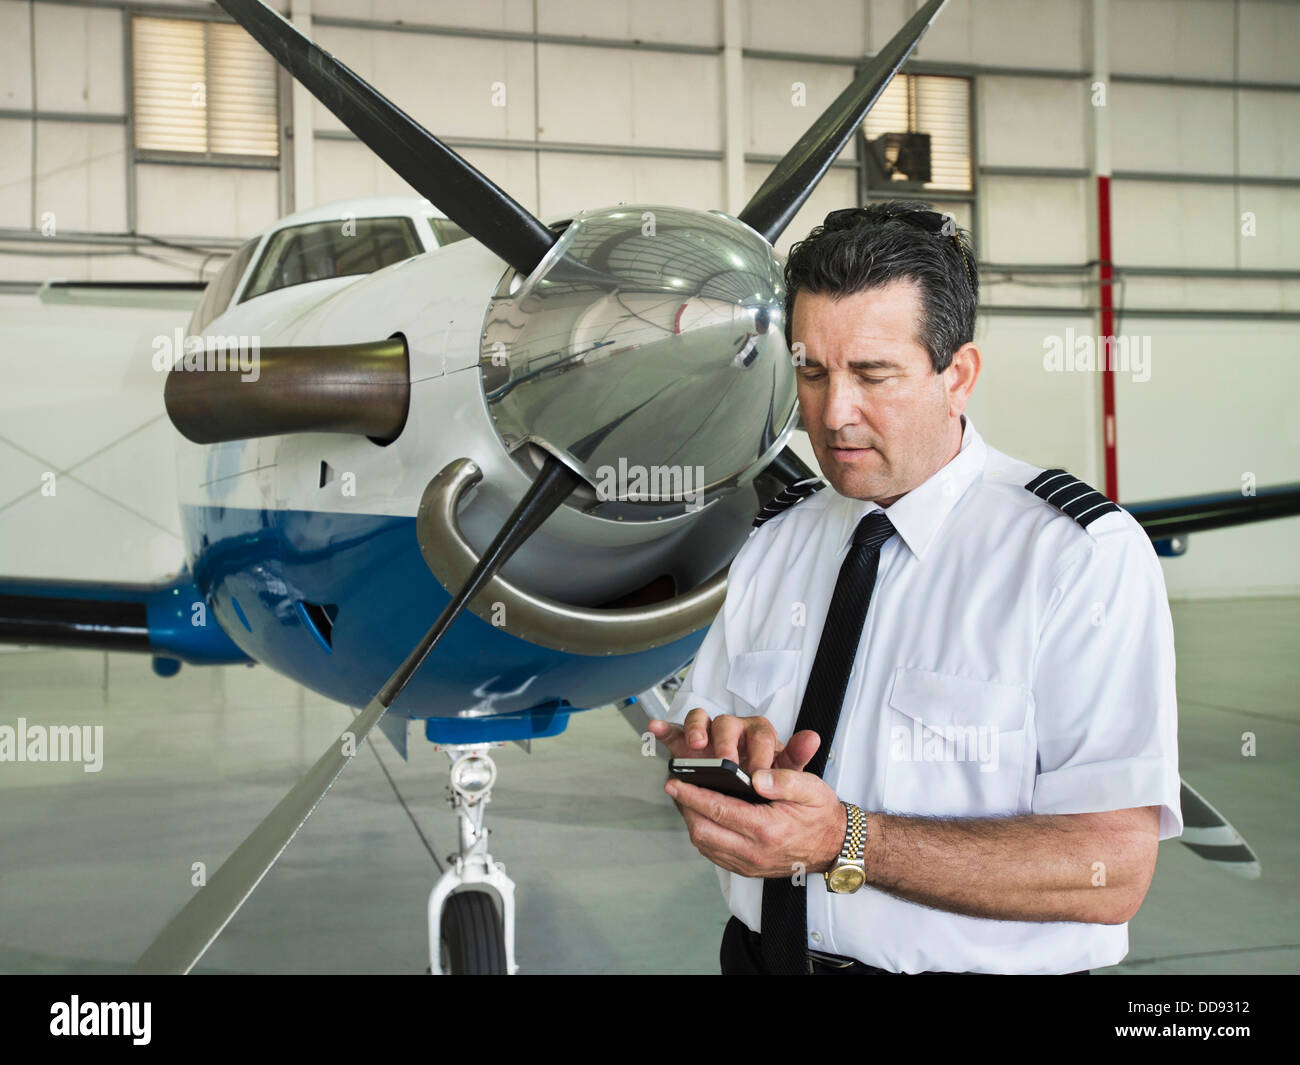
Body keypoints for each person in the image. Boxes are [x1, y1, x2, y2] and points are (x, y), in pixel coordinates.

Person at [648, 201, 1182, 975]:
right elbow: (702, 743)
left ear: (957, 375)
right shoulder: (774, 537)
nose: (835, 414)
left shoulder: (1075, 557)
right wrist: (716, 762)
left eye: (873, 374)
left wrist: (846, 840)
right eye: (812, 371)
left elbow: (1112, 868)